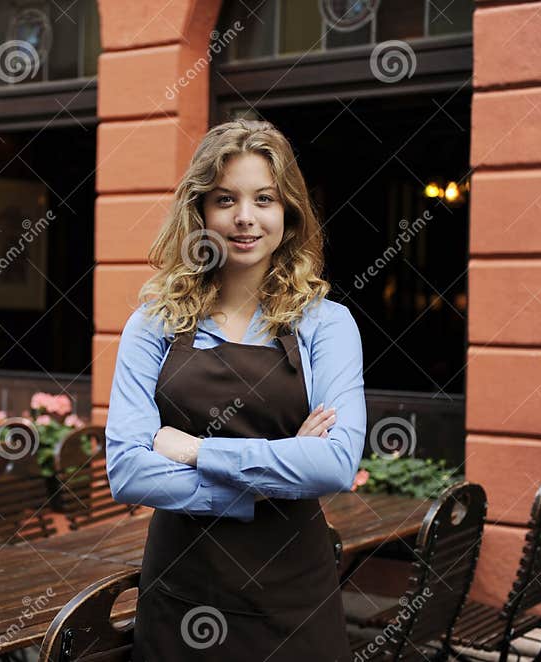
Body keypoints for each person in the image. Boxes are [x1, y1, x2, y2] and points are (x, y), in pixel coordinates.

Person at [105, 119, 365, 661]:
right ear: (199, 212)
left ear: (288, 213)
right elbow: (127, 471)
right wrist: (275, 479)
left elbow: (337, 465)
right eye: (225, 199)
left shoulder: (328, 324)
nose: (245, 217)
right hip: (182, 591)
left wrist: (196, 449)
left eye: (264, 199)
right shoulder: (153, 322)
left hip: (293, 598)